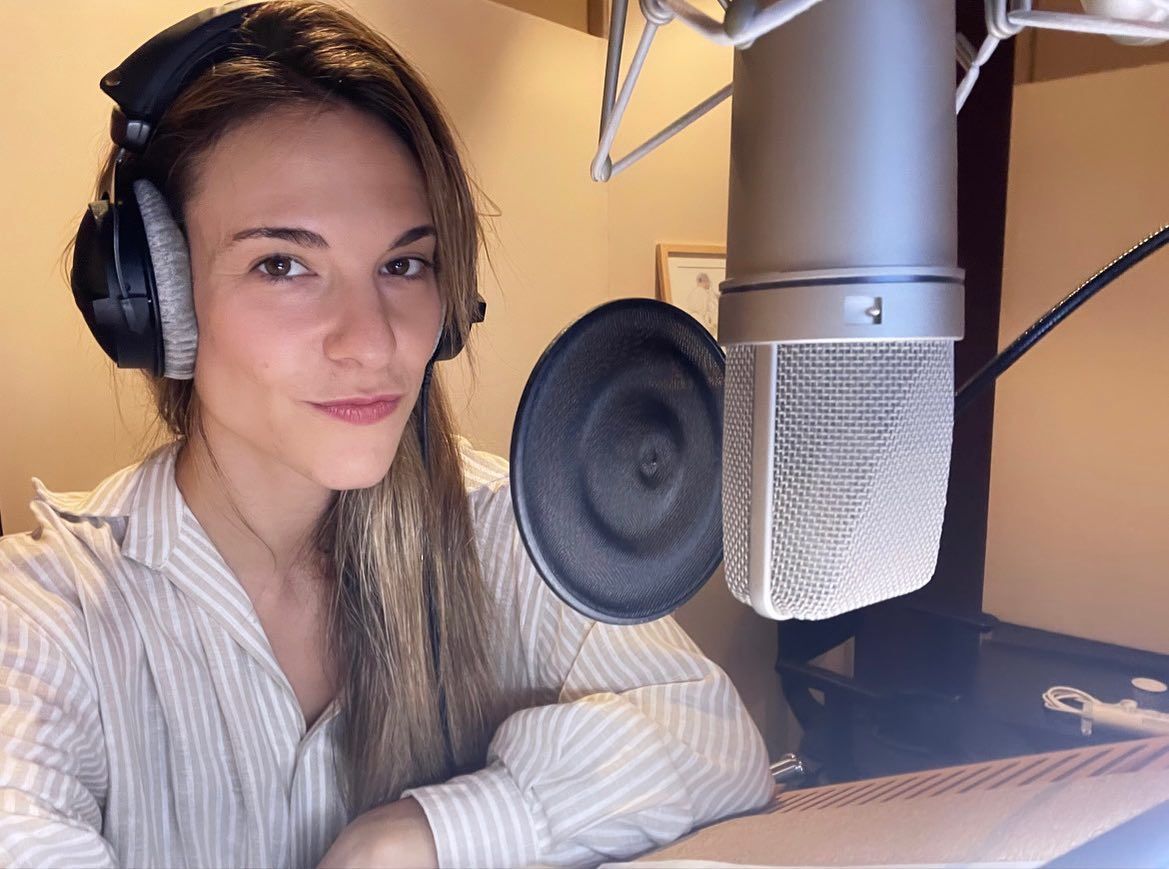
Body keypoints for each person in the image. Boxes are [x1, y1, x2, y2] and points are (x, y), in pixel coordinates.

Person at [0, 2, 774, 866]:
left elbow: (711, 740)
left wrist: (424, 834)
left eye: (403, 264)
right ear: (160, 305)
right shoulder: (45, 611)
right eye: (283, 264)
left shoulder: (503, 530)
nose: (372, 341)